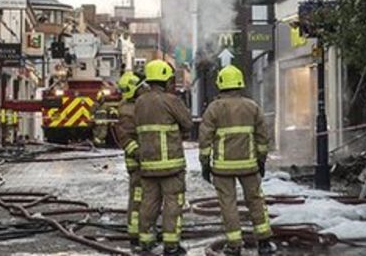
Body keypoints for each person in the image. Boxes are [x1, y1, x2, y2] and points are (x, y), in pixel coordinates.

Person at [200, 65, 274, 255]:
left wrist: (205, 164)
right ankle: (264, 242)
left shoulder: (214, 108)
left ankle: (234, 245)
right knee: (256, 200)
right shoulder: (252, 106)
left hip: (222, 168)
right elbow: (263, 137)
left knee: (228, 204)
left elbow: (205, 139)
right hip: (249, 166)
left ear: (221, 84)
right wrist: (261, 160)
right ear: (240, 83)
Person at [135, 60, 192, 255]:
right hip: (171, 165)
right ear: (165, 79)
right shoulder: (170, 100)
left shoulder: (140, 102)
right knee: (172, 204)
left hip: (147, 165)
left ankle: (146, 242)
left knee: (148, 203)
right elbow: (188, 123)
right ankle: (171, 245)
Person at [115, 70, 144, 249]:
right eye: (140, 88)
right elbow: (127, 138)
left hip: (136, 161)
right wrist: (140, 153)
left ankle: (137, 230)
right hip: (137, 162)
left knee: (139, 196)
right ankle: (136, 232)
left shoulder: (128, 106)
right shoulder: (129, 110)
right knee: (138, 196)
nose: (143, 90)